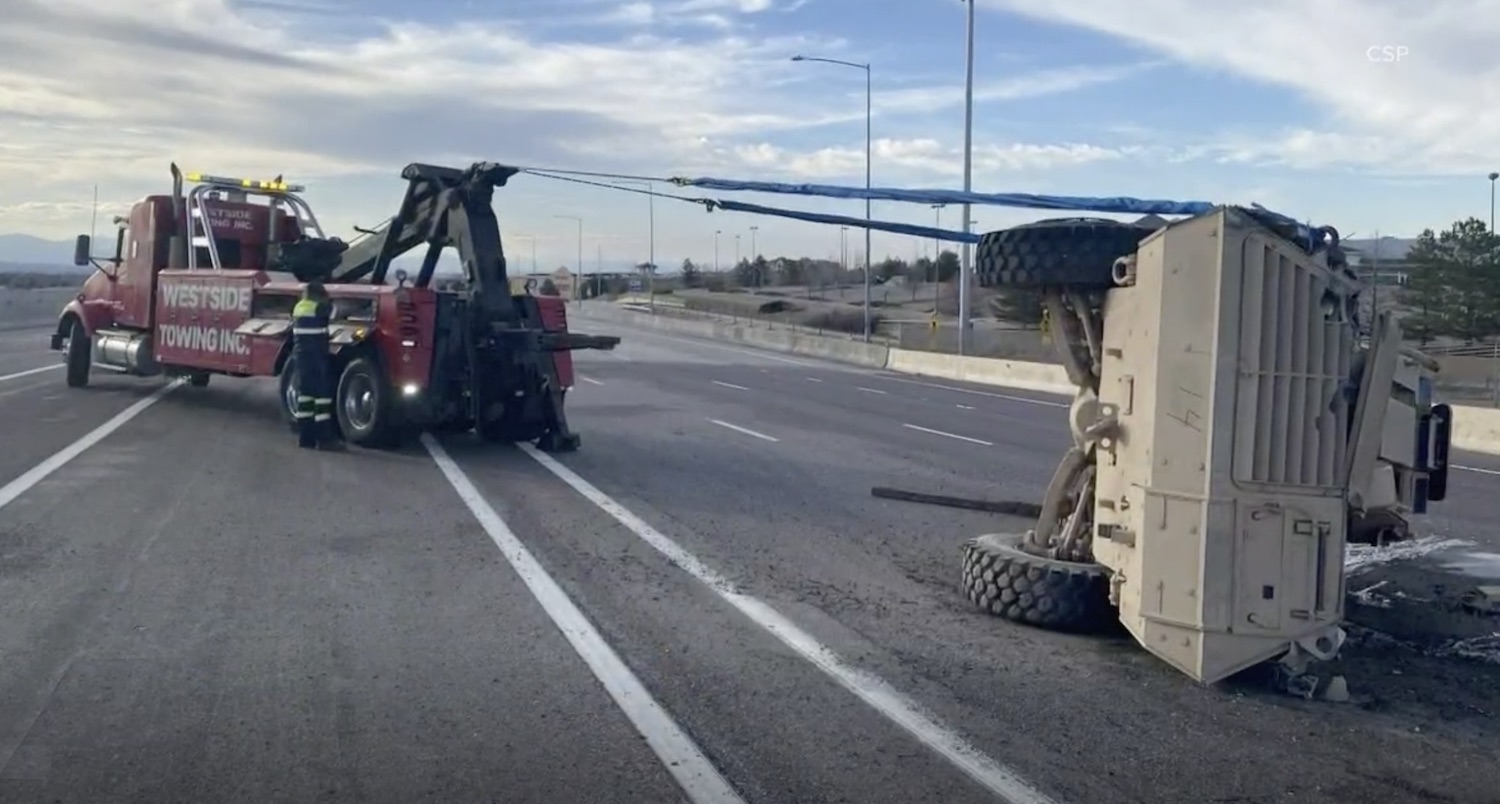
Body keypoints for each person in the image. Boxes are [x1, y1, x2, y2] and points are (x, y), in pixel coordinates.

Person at [290, 282, 345, 451]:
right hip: (316, 357)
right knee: (322, 397)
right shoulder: (320, 307)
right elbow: (338, 312)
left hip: (301, 357)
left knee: (305, 396)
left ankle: (305, 438)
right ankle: (324, 439)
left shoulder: (298, 307)